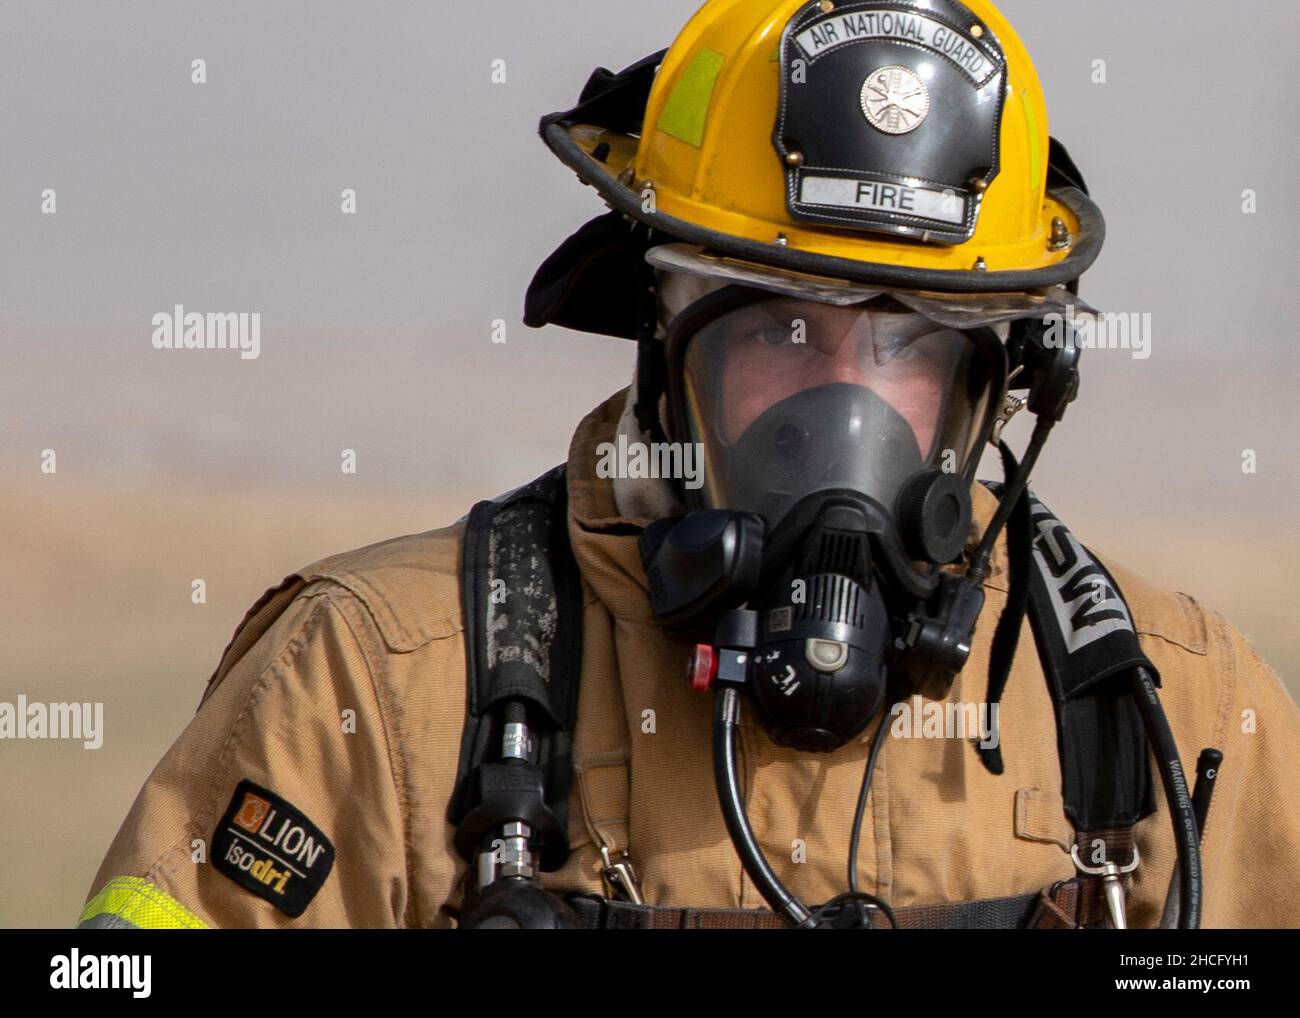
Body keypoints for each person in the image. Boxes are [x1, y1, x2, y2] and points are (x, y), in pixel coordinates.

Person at [79, 0, 1299, 930]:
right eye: (778, 330)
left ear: (989, 388)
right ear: (662, 335)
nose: (846, 408)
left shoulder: (1162, 711)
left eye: (906, 344)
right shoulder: (379, 688)